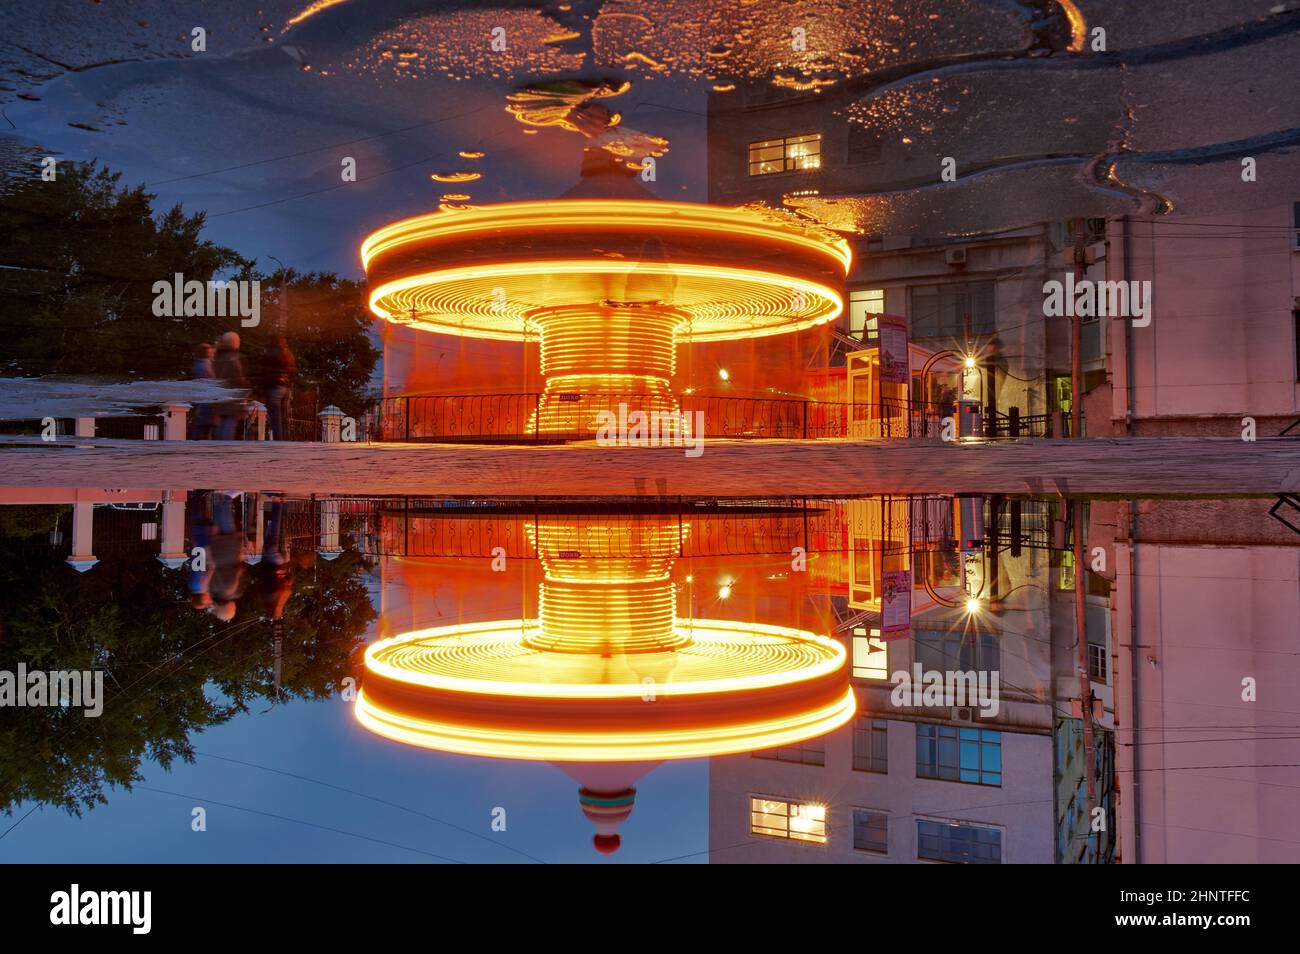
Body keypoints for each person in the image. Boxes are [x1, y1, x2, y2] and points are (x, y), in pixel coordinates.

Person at [213, 331, 248, 440]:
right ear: (234, 343)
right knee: (229, 422)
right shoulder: (233, 358)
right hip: (231, 397)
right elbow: (238, 378)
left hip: (219, 395)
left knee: (222, 422)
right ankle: (224, 447)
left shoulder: (217, 357)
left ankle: (218, 446)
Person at [263, 335, 297, 440]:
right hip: (286, 388)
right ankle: (285, 442)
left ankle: (279, 442)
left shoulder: (269, 353)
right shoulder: (288, 354)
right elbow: (293, 371)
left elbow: (264, 371)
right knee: (284, 417)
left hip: (274, 387)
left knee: (276, 418)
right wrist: (290, 384)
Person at [190, 342, 216, 440]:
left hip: (204, 403)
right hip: (206, 403)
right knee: (203, 431)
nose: (212, 353)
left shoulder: (200, 364)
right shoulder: (204, 366)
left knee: (203, 430)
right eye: (210, 352)